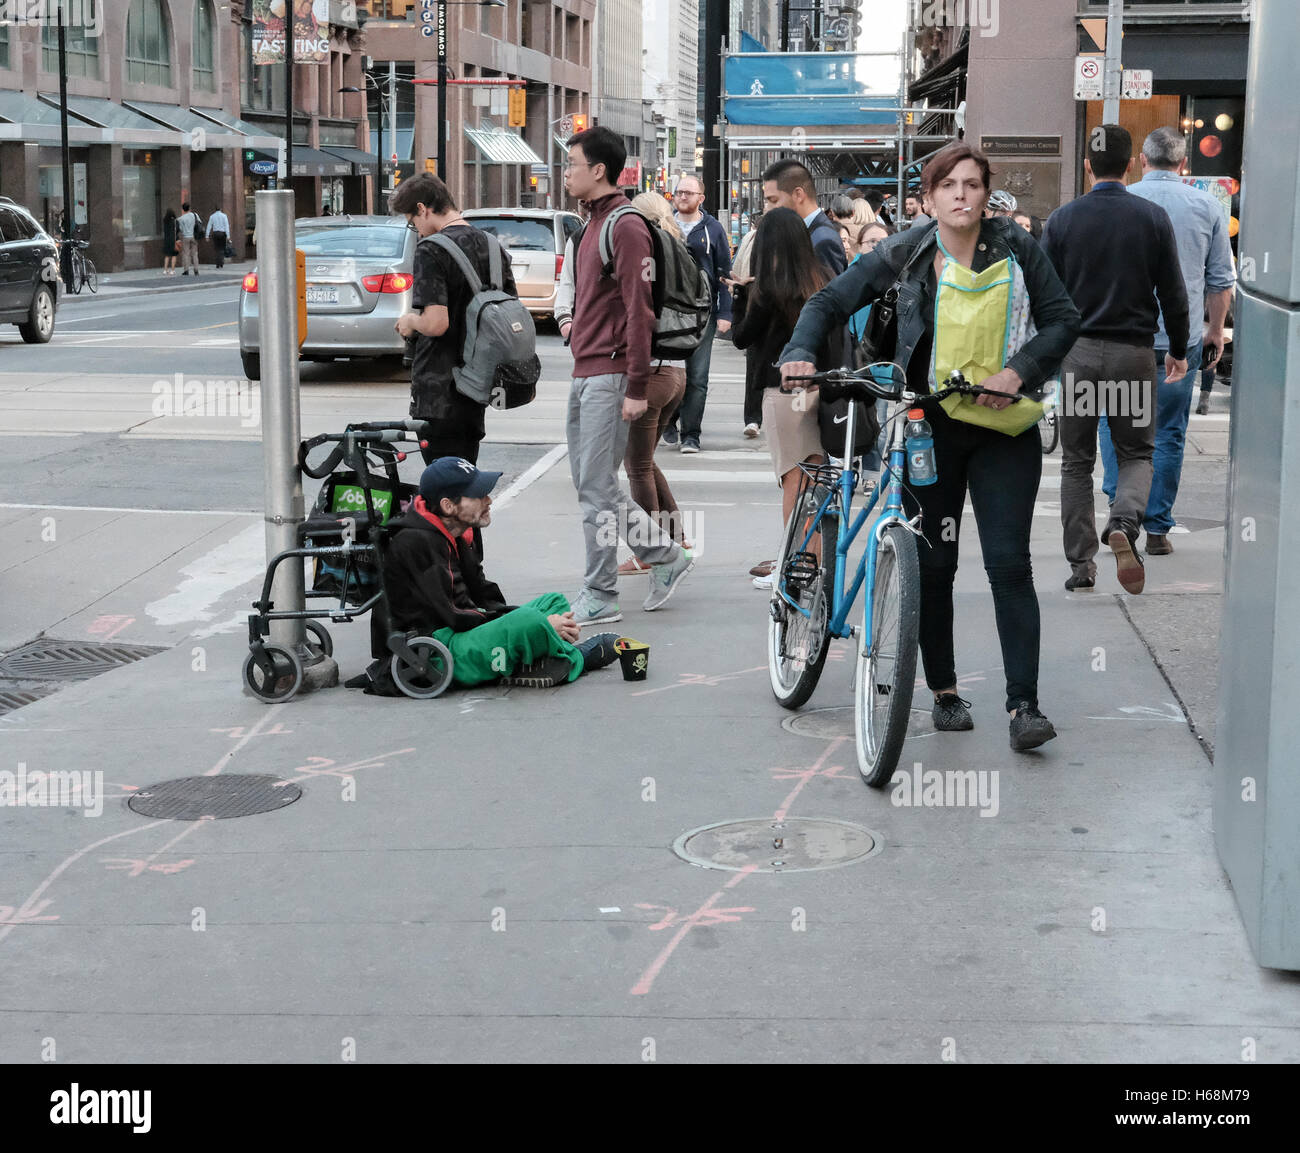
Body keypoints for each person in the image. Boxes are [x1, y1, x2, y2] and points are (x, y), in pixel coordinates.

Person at [778, 141, 1081, 752]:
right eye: (949, 186)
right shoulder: (905, 250)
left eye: (972, 184)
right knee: (935, 565)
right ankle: (944, 692)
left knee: (1008, 566)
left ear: (985, 192)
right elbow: (830, 300)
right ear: (929, 198)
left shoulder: (1018, 247)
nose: (961, 194)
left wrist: (1017, 372)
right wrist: (800, 350)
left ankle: (1025, 706)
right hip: (927, 427)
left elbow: (1063, 319)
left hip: (1004, 429)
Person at [1041, 124, 1190, 597]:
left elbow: (1044, 296)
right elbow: (1174, 293)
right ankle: (1124, 519)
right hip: (1133, 355)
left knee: (1077, 463)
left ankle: (1081, 565)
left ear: (1088, 165)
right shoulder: (1151, 218)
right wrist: (1181, 350)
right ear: (1130, 165)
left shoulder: (1063, 220)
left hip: (1079, 355)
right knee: (1137, 452)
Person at [562, 125, 695, 626]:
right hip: (586, 370)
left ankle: (601, 593)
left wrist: (636, 387)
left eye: (572, 163)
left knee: (597, 488)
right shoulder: (592, 223)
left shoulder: (626, 225)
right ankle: (667, 557)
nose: (567, 172)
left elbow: (642, 313)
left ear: (598, 170)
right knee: (593, 486)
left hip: (612, 375)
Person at [358, 458, 621, 691]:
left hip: (457, 631)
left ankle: (540, 654)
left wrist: (526, 620)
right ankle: (573, 659)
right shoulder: (418, 541)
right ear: (449, 505)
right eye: (479, 495)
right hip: (432, 648)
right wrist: (532, 623)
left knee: (552, 602)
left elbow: (484, 595)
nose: (489, 500)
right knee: (531, 620)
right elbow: (456, 614)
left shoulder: (454, 531)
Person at [1096, 125, 1237, 556]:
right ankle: (1156, 528)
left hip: (1122, 336)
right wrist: (1215, 331)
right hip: (1183, 339)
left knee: (1113, 421)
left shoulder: (1120, 203)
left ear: (1142, 161)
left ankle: (1121, 510)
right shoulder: (1207, 206)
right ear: (1184, 165)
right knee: (1170, 433)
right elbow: (1220, 281)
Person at [730, 208, 842, 589]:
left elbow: (741, 337)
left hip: (783, 391)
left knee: (793, 481)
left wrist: (738, 293)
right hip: (821, 389)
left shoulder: (769, 287)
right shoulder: (822, 279)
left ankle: (793, 565)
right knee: (816, 478)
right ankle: (814, 560)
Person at [390, 173, 517, 466]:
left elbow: (436, 323)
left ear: (423, 209)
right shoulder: (492, 246)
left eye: (412, 221)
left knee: (444, 486)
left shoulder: (431, 250)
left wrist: (411, 321)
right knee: (465, 478)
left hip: (440, 390)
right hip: (477, 385)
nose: (417, 230)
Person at [617, 191, 690, 575]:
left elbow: (639, 314)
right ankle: (676, 537)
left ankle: (649, 552)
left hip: (655, 370)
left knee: (637, 466)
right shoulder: (679, 248)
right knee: (646, 461)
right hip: (677, 370)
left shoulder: (649, 255)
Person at [660, 172, 733, 454]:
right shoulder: (665, 225)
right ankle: (668, 420)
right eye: (679, 192)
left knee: (698, 376)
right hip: (669, 312)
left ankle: (691, 434)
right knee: (669, 373)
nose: (683, 197)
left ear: (701, 198)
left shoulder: (712, 229)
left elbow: (724, 272)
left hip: (703, 313)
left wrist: (726, 312)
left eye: (689, 193)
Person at [761, 158, 848, 277]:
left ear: (798, 195)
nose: (768, 208)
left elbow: (827, 294)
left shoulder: (823, 241)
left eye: (774, 200)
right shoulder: (811, 234)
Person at [732, 219, 764, 439]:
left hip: (767, 304)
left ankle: (756, 417)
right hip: (753, 303)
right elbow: (737, 271)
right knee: (754, 364)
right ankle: (753, 418)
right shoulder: (750, 238)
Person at [176, 202, 201, 277]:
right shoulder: (195, 215)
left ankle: (186, 270)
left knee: (186, 254)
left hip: (186, 237)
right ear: (189, 208)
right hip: (194, 236)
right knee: (195, 254)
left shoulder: (180, 219)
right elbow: (200, 223)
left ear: (183, 209)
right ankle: (196, 270)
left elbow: (180, 229)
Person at [207, 204, 231, 270]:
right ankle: (221, 262)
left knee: (217, 248)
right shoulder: (224, 216)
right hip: (222, 234)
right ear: (220, 209)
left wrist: (207, 236)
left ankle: (217, 263)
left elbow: (209, 226)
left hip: (215, 233)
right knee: (222, 248)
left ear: (215, 209)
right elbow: (226, 226)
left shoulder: (212, 216)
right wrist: (228, 236)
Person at [162, 208, 178, 276]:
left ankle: (165, 270)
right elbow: (177, 230)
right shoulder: (174, 221)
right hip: (173, 240)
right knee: (174, 255)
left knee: (167, 255)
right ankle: (172, 270)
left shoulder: (165, 221)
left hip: (166, 240)